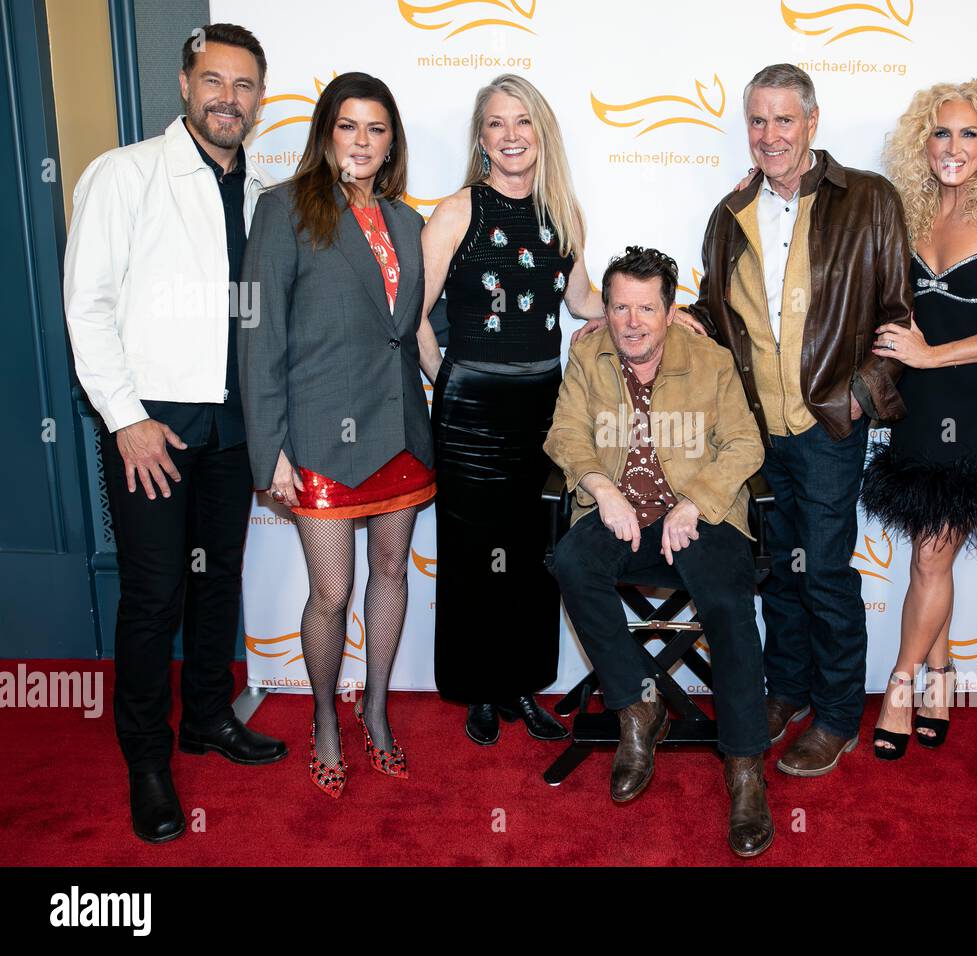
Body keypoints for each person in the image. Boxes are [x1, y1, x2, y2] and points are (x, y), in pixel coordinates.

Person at [63, 23, 286, 844]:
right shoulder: (124, 174)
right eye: (215, 82)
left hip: (231, 429)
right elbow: (86, 306)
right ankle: (148, 761)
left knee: (217, 581)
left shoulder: (260, 193)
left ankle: (205, 721)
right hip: (149, 431)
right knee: (155, 596)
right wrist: (125, 419)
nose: (230, 99)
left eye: (245, 85)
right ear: (186, 85)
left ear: (259, 97)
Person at [679, 64, 913, 777]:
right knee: (777, 569)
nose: (770, 135)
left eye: (784, 119)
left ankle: (839, 713)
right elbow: (719, 318)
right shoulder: (730, 214)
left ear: (813, 121)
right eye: (757, 120)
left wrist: (854, 401)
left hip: (827, 428)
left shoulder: (868, 200)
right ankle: (786, 689)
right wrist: (662, 322)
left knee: (826, 574)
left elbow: (899, 318)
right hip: (755, 432)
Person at [240, 73, 434, 798]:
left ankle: (376, 711)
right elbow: (258, 337)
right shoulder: (283, 210)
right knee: (332, 591)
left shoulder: (407, 223)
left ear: (391, 143)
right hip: (320, 437)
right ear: (325, 134)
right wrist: (273, 451)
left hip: (401, 434)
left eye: (376, 129)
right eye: (347, 126)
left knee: (391, 575)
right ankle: (325, 716)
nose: (361, 141)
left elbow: (412, 330)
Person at [546, 247, 773, 857]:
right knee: (571, 563)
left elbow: (744, 444)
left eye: (647, 308)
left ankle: (746, 768)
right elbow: (565, 434)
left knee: (728, 602)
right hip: (620, 511)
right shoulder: (587, 355)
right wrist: (601, 489)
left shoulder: (709, 359)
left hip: (696, 516)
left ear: (670, 310)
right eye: (620, 307)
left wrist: (695, 502)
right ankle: (638, 708)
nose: (632, 321)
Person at [418, 74, 607, 746]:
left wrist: (657, 310)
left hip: (543, 410)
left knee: (533, 554)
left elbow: (583, 300)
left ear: (541, 131)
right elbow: (413, 317)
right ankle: (479, 690)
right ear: (481, 138)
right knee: (473, 554)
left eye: (522, 121)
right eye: (496, 124)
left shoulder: (564, 213)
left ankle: (524, 685)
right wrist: (450, 382)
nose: (510, 136)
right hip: (471, 410)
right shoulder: (455, 211)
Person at [859, 80, 977, 759]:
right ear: (922, 141)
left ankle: (900, 686)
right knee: (930, 555)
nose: (953, 147)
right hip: (921, 407)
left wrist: (935, 358)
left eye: (969, 134)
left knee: (932, 553)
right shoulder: (907, 213)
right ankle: (942, 675)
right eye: (942, 133)